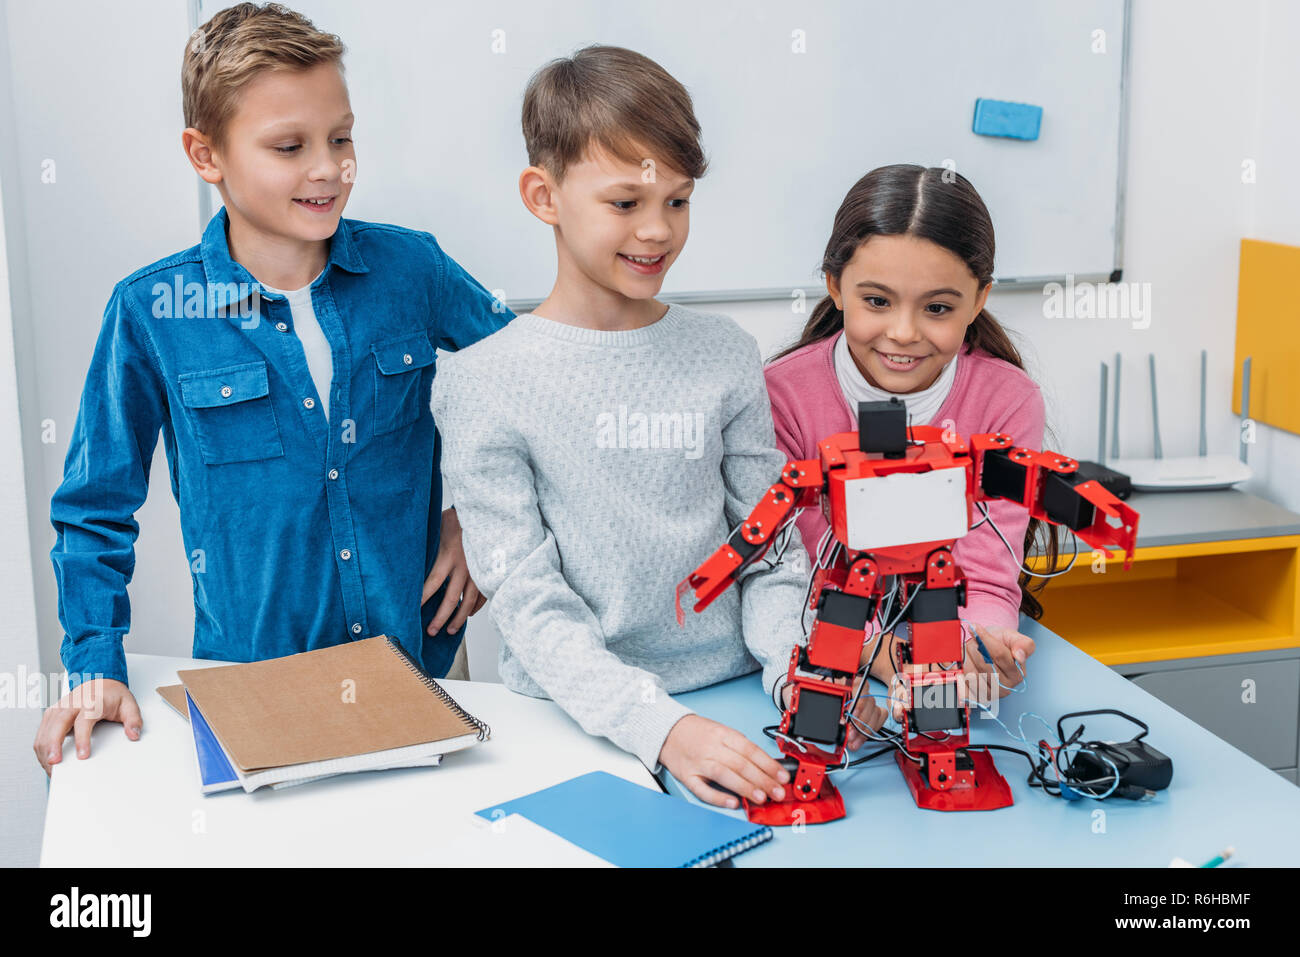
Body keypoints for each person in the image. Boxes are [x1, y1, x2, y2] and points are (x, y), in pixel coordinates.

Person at [34, 2, 507, 774]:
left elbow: (535, 380)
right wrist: (95, 666)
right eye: (290, 146)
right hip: (255, 691)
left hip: (419, 669)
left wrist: (479, 520)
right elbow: (93, 508)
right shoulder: (151, 311)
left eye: (341, 137)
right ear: (205, 153)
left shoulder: (412, 270)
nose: (329, 168)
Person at [430, 46, 812, 810]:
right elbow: (530, 602)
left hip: (744, 698)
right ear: (543, 196)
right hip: (574, 721)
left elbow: (772, 553)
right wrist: (660, 727)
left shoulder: (725, 354)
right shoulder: (484, 382)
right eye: (625, 203)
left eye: (678, 200)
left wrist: (802, 677)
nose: (658, 230)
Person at [764, 165, 1047, 745]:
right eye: (877, 300)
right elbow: (792, 576)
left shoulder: (1007, 400)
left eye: (938, 309)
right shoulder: (783, 396)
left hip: (937, 653)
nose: (903, 332)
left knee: (948, 741)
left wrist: (984, 646)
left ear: (979, 300)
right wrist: (881, 655)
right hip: (828, 658)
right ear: (836, 286)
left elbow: (988, 574)